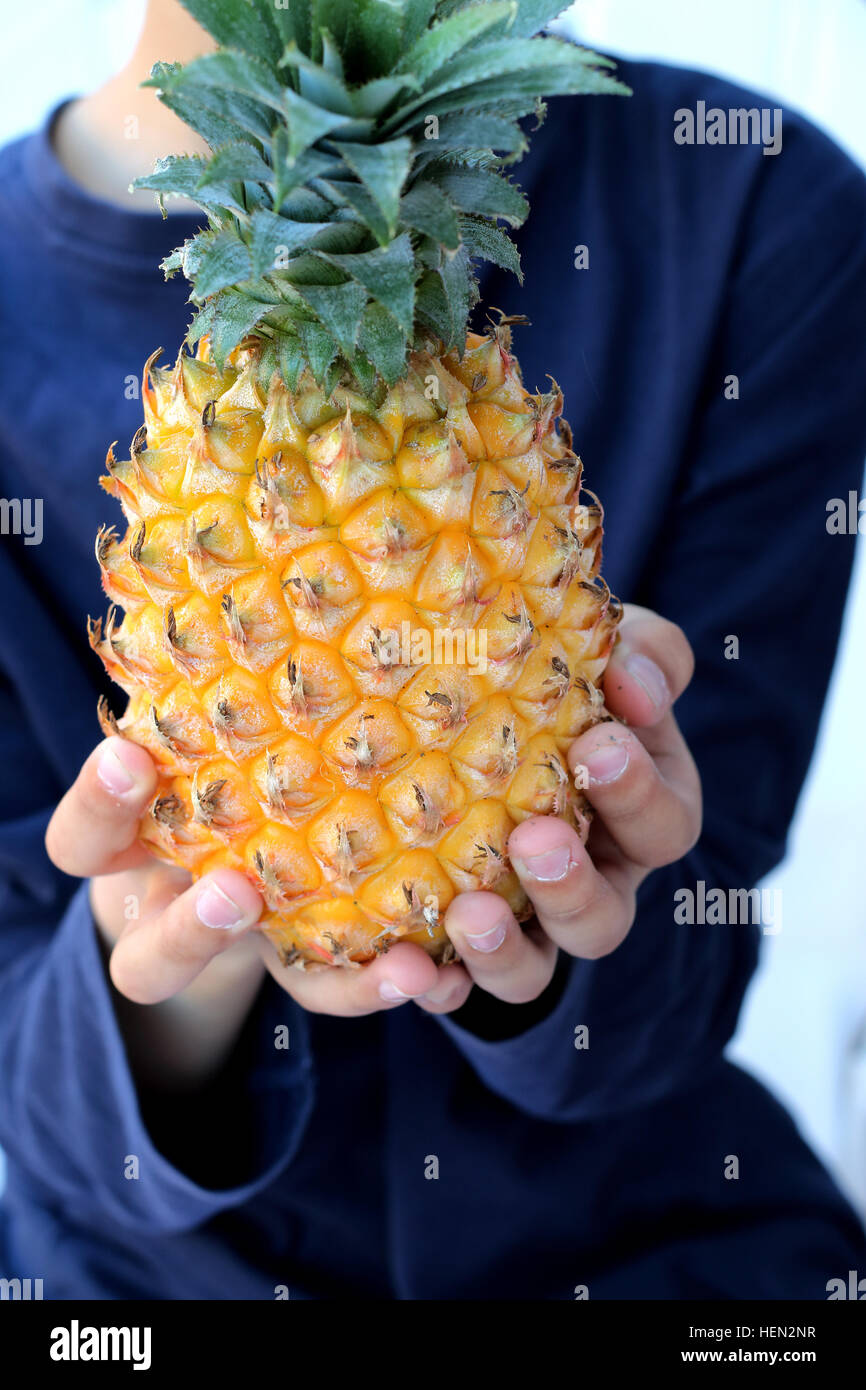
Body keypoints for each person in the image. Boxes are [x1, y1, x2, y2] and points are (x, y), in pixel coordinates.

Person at [1, 0, 865, 1300]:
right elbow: (32, 1091)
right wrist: (169, 990)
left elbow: (689, 966)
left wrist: (569, 937)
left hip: (663, 1250)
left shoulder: (758, 204)